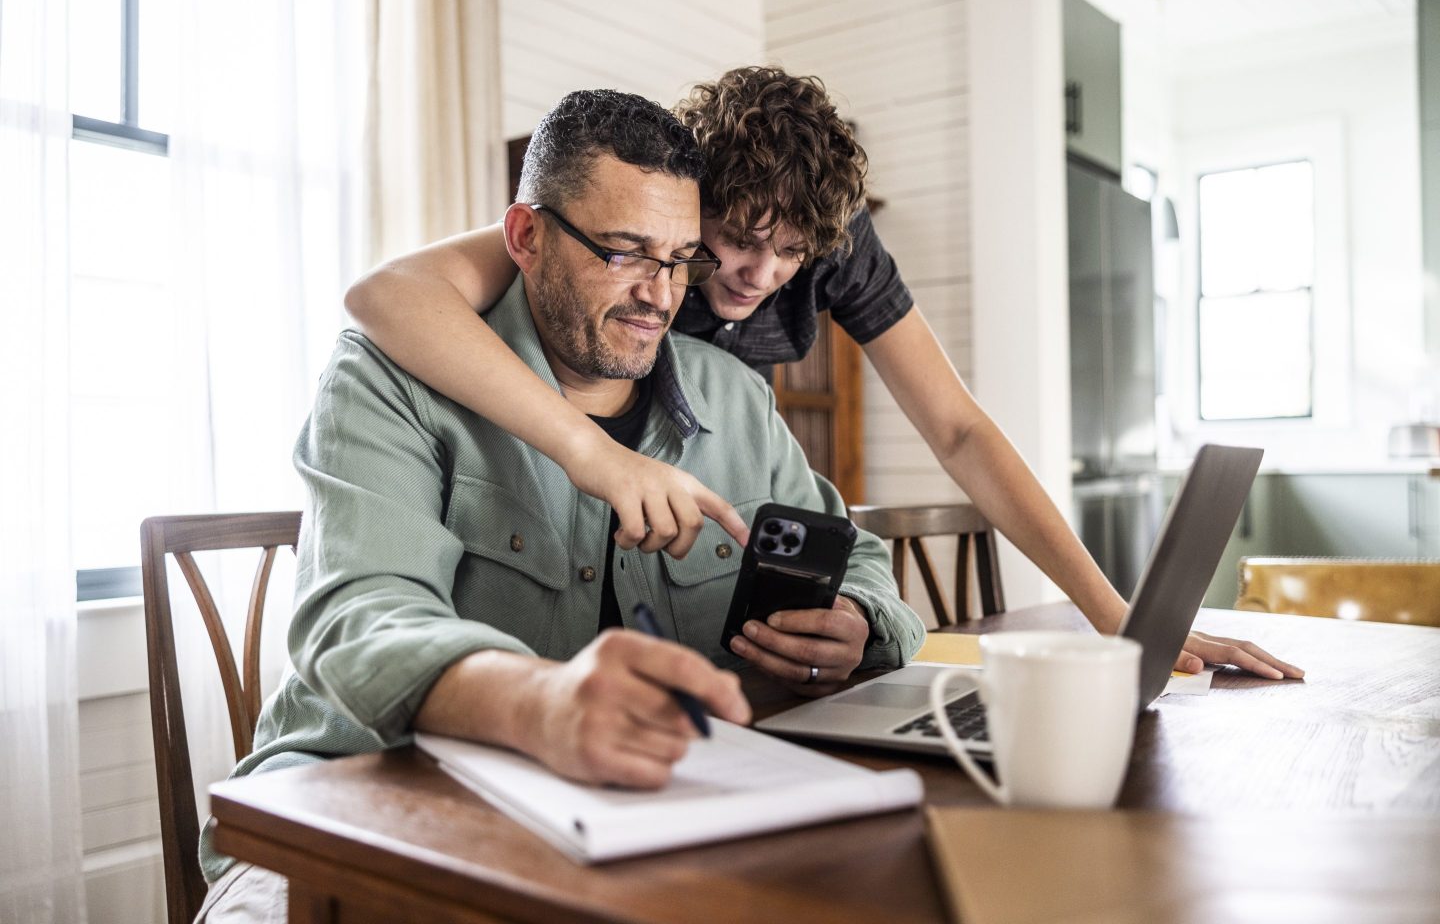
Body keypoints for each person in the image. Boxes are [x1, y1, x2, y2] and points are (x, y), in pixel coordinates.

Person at [194, 88, 926, 921]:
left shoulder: (735, 395)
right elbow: (361, 624)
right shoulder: (388, 374)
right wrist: (541, 703)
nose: (660, 295)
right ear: (526, 238)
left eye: (681, 258)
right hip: (346, 817)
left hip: (632, 831)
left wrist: (864, 621)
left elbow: (854, 554)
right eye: (624, 252)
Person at [345, 66, 1304, 682]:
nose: (756, 278)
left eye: (792, 254)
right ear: (690, 199)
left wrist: (1118, 619)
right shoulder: (620, 237)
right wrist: (591, 455)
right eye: (725, 244)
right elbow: (389, 295)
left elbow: (959, 431)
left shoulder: (766, 341)